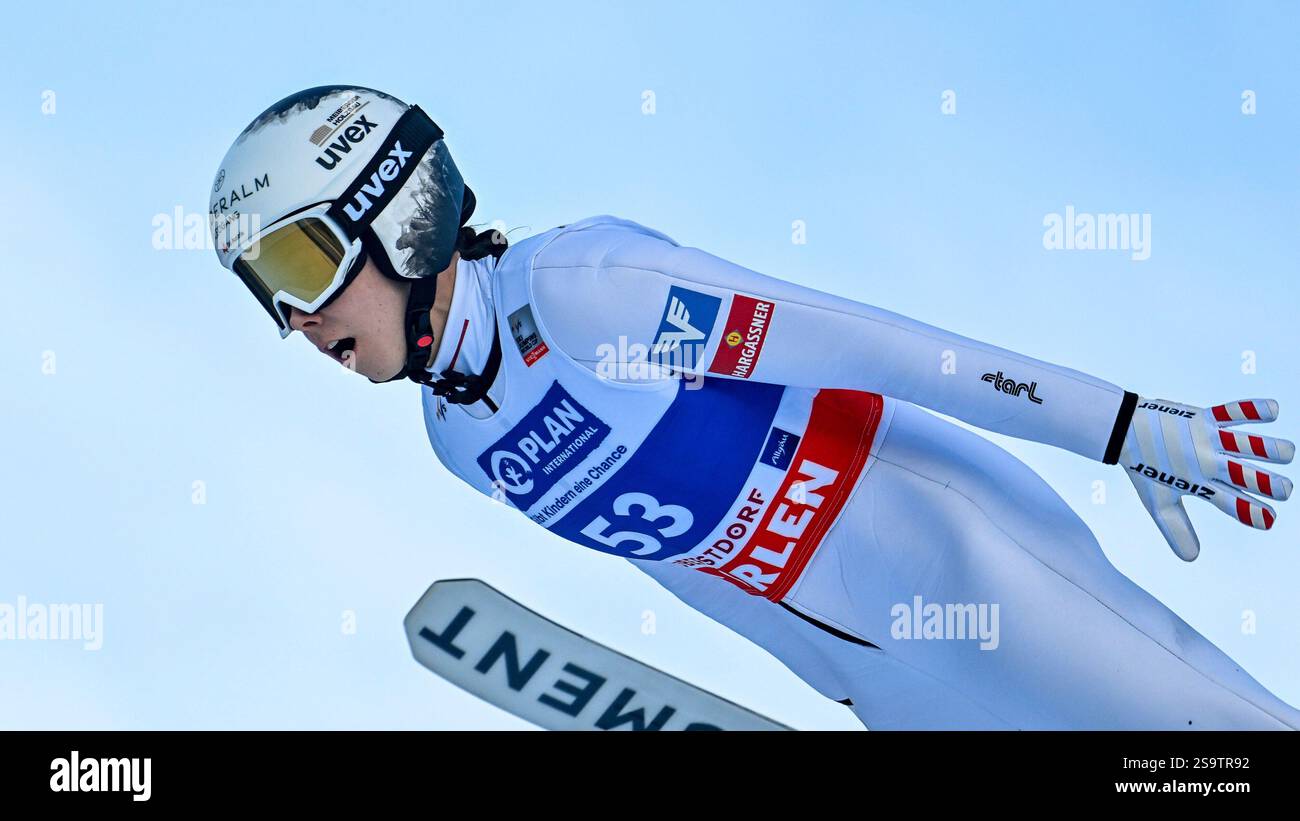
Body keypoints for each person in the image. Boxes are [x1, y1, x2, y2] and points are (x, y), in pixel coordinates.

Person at [209, 85, 1298, 729]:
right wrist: (844, 684)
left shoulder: (589, 295)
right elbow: (688, 563)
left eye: (299, 264)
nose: (295, 317)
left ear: (394, 217)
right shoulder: (461, 438)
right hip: (877, 665)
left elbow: (887, 350)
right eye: (265, 290)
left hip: (970, 566)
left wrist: (1123, 428)